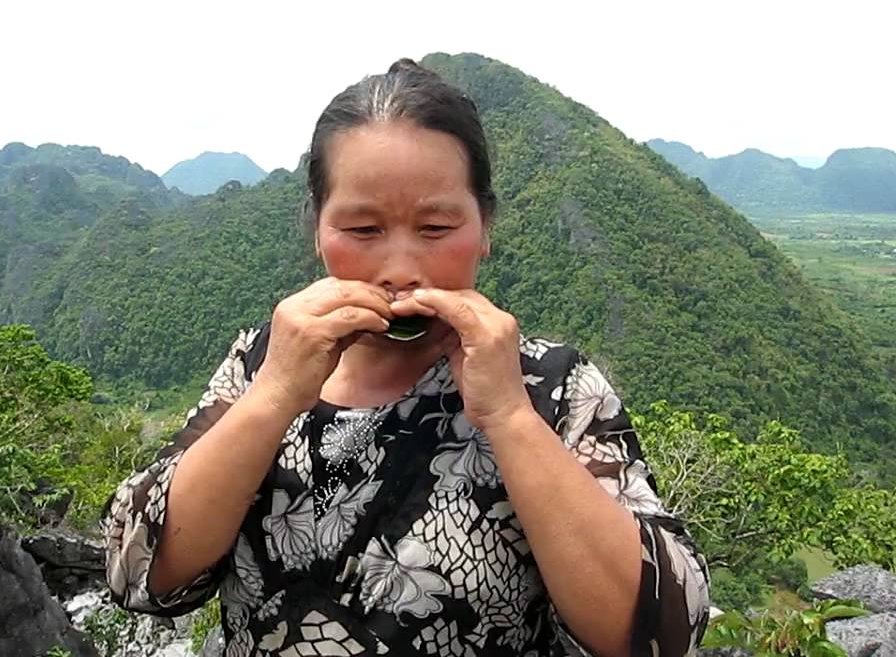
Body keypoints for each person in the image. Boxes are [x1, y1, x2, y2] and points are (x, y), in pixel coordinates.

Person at [103, 59, 711, 657]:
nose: (399, 270)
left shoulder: (553, 388)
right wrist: (274, 395)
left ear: (485, 226)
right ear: (317, 229)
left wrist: (509, 417)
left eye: (436, 228)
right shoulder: (263, 362)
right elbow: (135, 572)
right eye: (363, 230)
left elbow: (664, 635)